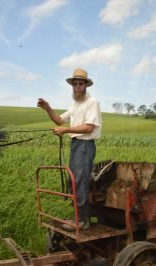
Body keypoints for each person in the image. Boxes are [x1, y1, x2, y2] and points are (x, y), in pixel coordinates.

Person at [37, 68, 102, 230]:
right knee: (72, 180)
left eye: (81, 84)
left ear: (86, 85)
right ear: (72, 86)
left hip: (85, 145)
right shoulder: (74, 103)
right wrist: (48, 109)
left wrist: (66, 131)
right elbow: (59, 120)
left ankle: (82, 221)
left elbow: (89, 127)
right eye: (75, 84)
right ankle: (78, 217)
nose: (78, 87)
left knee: (80, 181)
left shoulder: (92, 102)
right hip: (75, 145)